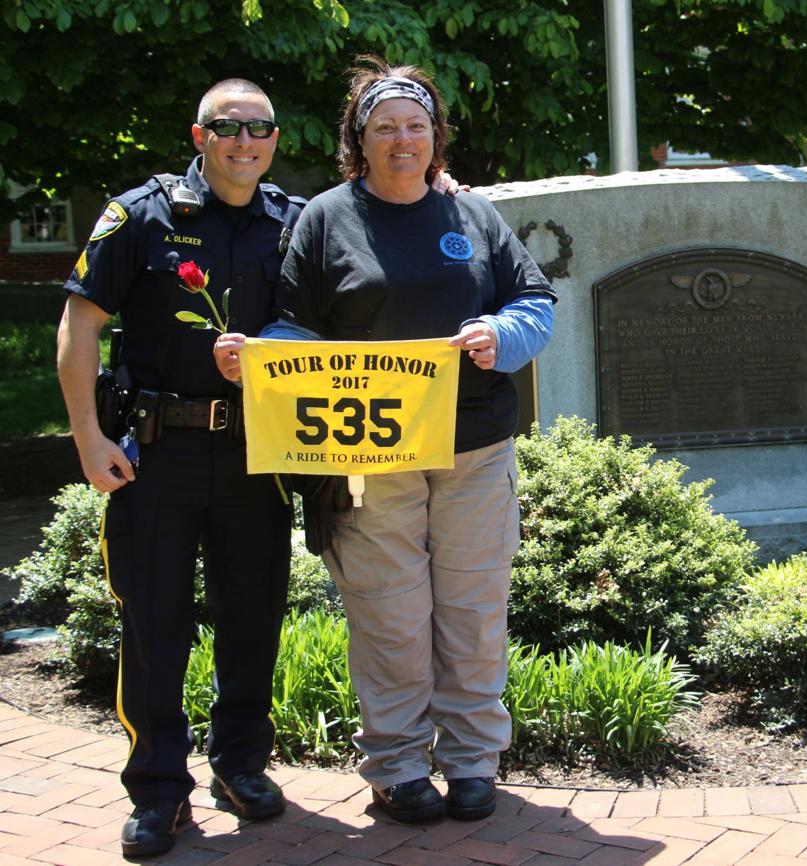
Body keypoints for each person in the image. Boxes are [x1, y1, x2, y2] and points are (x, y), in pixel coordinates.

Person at [215, 56, 555, 823]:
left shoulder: (473, 215)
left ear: (435, 135)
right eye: (384, 128)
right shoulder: (326, 219)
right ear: (358, 140)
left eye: (415, 125)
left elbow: (535, 299)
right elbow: (295, 325)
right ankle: (397, 766)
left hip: (474, 447)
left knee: (472, 608)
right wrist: (260, 360)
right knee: (389, 615)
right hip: (370, 459)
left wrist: (500, 332)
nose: (402, 139)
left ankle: (472, 761)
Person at [57, 79, 304, 858]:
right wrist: (88, 438)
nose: (244, 143)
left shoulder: (295, 223)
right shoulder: (141, 215)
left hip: (255, 456)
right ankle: (159, 788)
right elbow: (80, 325)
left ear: (273, 139)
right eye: (226, 129)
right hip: (156, 453)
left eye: (258, 129)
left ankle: (240, 765)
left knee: (252, 617)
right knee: (156, 623)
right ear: (199, 137)